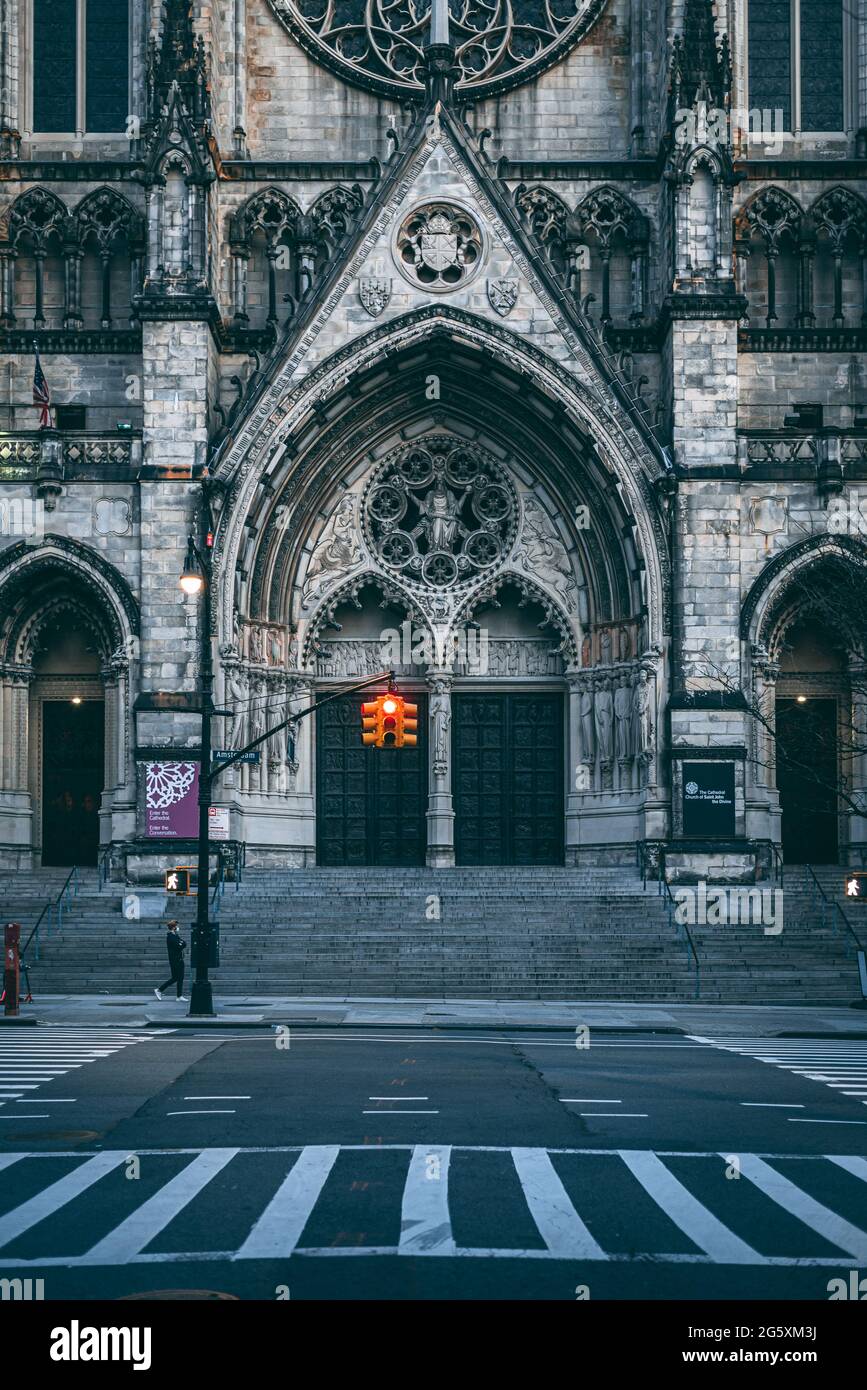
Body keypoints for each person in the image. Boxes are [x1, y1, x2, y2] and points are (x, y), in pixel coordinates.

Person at [154, 920, 187, 1001]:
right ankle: (160, 990)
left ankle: (178, 995)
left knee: (177, 978)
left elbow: (184, 943)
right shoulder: (171, 937)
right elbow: (179, 946)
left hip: (178, 959)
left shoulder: (175, 935)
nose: (178, 927)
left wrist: (181, 943)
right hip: (176, 960)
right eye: (177, 926)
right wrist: (181, 943)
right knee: (177, 977)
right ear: (174, 927)